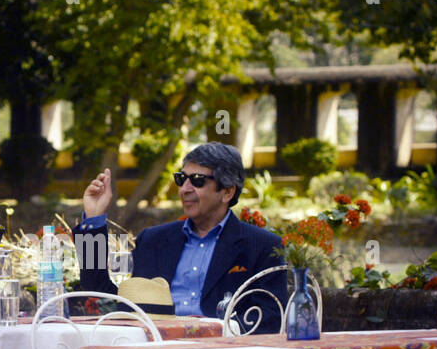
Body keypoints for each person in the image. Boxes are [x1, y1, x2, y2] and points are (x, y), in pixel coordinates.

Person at [73, 142, 288, 333]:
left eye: (197, 180)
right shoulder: (153, 240)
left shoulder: (262, 246)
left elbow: (269, 320)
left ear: (227, 192)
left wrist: (215, 335)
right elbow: (99, 289)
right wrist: (94, 219)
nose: (184, 189)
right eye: (181, 178)